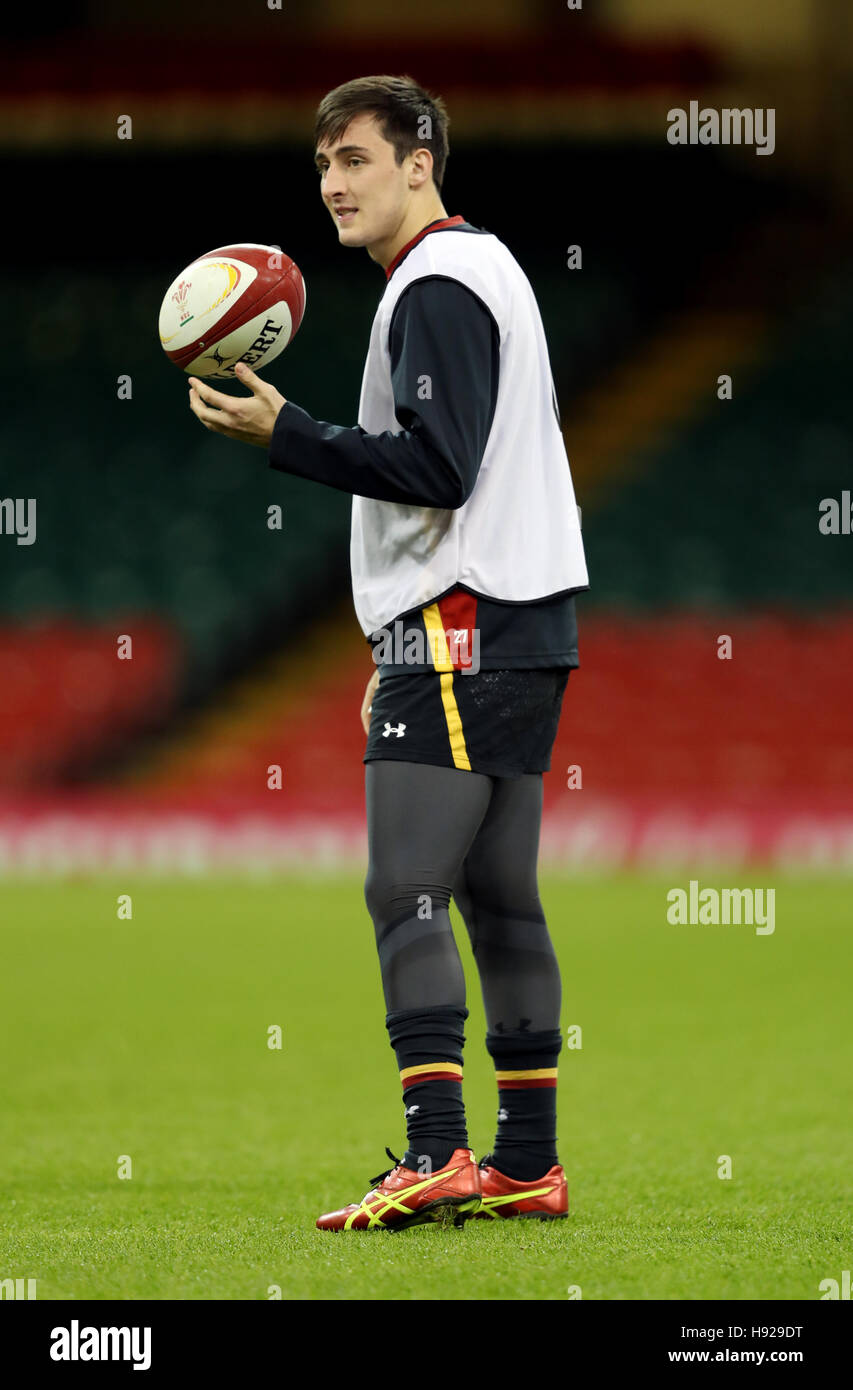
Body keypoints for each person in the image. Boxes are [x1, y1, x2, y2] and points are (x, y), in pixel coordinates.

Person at [188, 74, 589, 1231]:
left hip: (464, 620)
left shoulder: (439, 282)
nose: (332, 184)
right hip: (521, 616)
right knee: (500, 896)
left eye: (355, 159)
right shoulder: (487, 268)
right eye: (322, 167)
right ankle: (526, 1160)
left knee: (403, 885)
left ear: (420, 162)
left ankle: (436, 1152)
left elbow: (439, 466)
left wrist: (290, 432)